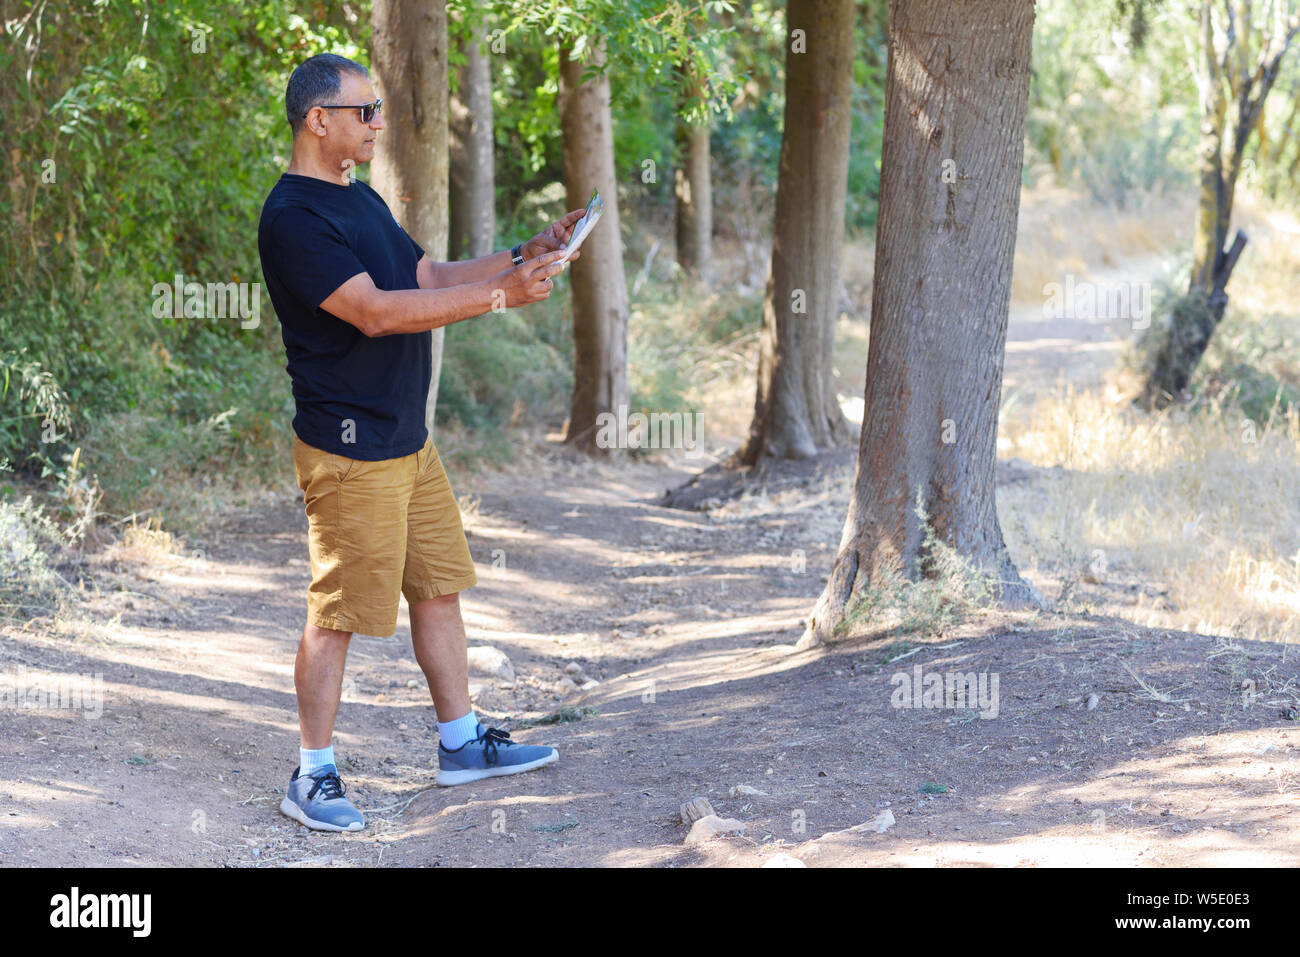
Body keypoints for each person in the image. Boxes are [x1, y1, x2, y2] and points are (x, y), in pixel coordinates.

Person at [257, 52, 581, 832]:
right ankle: (312, 773)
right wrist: (501, 297)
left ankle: (461, 742)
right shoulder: (294, 217)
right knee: (337, 611)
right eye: (363, 110)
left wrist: (522, 254)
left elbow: (426, 277)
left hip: (409, 440)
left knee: (438, 588)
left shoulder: (358, 198)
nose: (376, 122)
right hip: (349, 447)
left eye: (377, 109)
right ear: (318, 120)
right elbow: (373, 311)